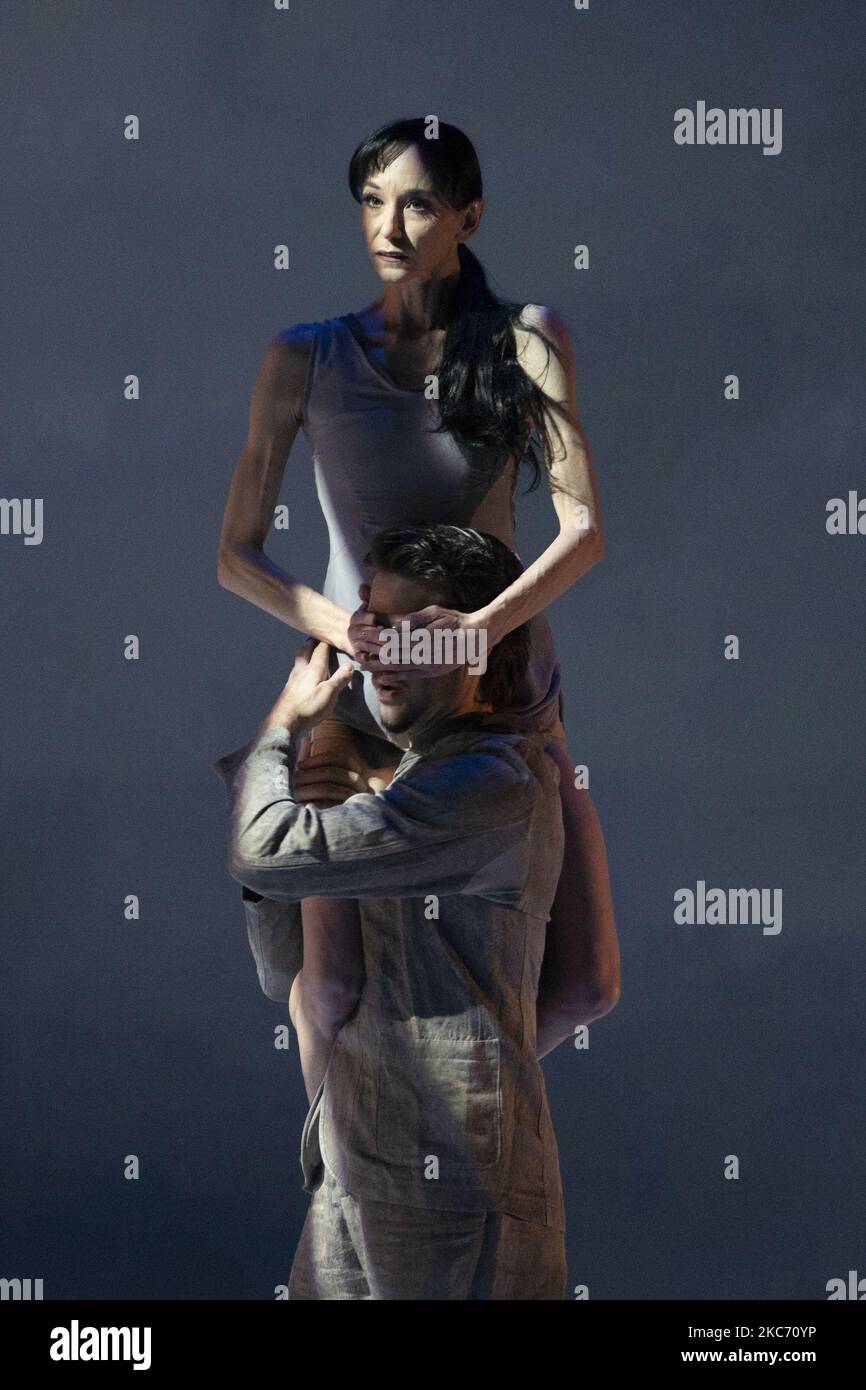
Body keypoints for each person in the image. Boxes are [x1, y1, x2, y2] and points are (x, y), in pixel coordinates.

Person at [217, 117, 619, 1114]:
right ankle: (345, 1185)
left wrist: (483, 626)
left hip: (498, 693)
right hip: (359, 694)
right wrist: (336, 625)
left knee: (581, 982)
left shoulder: (525, 339)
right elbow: (236, 554)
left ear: (467, 216)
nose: (386, 225)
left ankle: (433, 1124)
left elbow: (582, 529)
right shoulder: (305, 355)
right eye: (370, 201)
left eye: (416, 203)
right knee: (332, 988)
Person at [215, 525, 619, 1300]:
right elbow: (590, 988)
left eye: (412, 629)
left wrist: (287, 728)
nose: (379, 651)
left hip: (438, 1200)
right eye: (372, 623)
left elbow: (276, 885)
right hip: (370, 1183)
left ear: (476, 642)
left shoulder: (479, 788)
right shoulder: (429, 787)